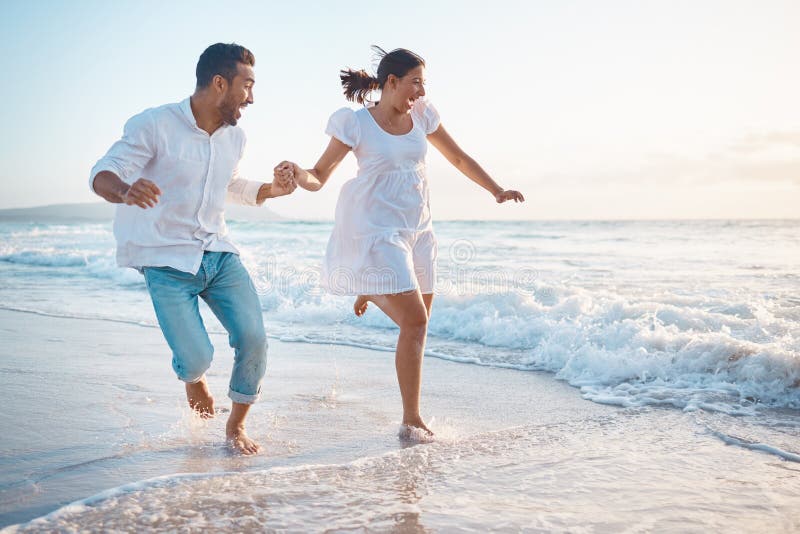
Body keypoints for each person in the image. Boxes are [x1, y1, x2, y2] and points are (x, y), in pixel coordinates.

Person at [275, 46, 524, 440]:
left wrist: (495, 190)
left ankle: (373, 290)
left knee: (418, 326)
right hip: (377, 229)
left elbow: (458, 158)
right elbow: (319, 175)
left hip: (419, 229)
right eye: (415, 83)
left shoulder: (423, 115)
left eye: (424, 84)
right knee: (416, 321)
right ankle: (411, 418)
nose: (420, 92)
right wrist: (295, 172)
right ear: (391, 82)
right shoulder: (356, 123)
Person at [90, 43, 296, 455]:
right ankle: (193, 376)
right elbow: (103, 173)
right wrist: (125, 190)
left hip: (217, 251)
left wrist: (272, 189)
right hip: (164, 259)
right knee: (197, 357)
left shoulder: (234, 137)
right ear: (220, 83)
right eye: (247, 86)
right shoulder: (154, 124)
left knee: (253, 338)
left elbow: (230, 185)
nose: (251, 98)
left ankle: (235, 427)